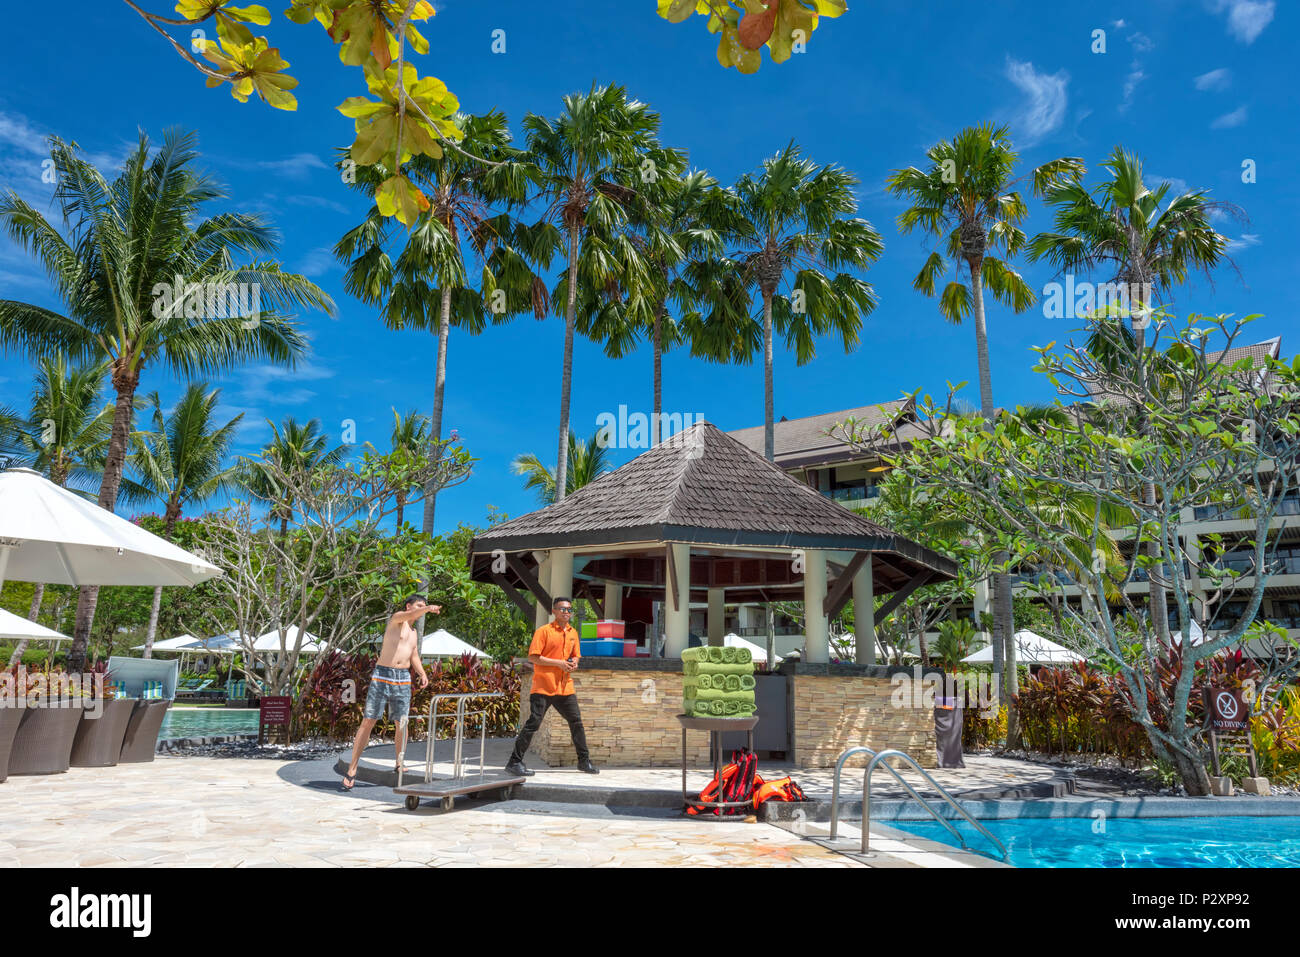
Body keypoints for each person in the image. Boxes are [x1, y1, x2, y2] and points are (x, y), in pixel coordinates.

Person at [341, 594, 440, 790]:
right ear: (408, 606)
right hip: (382, 674)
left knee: (401, 722)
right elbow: (409, 614)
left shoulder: (413, 632)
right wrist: (428, 609)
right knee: (369, 720)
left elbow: (413, 654)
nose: (423, 609)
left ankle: (399, 762)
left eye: (424, 606)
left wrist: (421, 673)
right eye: (419, 605)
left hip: (403, 677)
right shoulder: (397, 619)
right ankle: (352, 769)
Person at [505, 596, 599, 776]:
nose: (567, 612)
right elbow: (533, 657)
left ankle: (584, 761)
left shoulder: (573, 633)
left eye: (569, 610)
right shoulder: (544, 631)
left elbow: (576, 654)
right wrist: (559, 663)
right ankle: (514, 762)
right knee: (534, 723)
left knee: (576, 722)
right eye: (562, 609)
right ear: (554, 611)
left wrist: (574, 663)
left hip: (565, 687)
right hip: (544, 686)